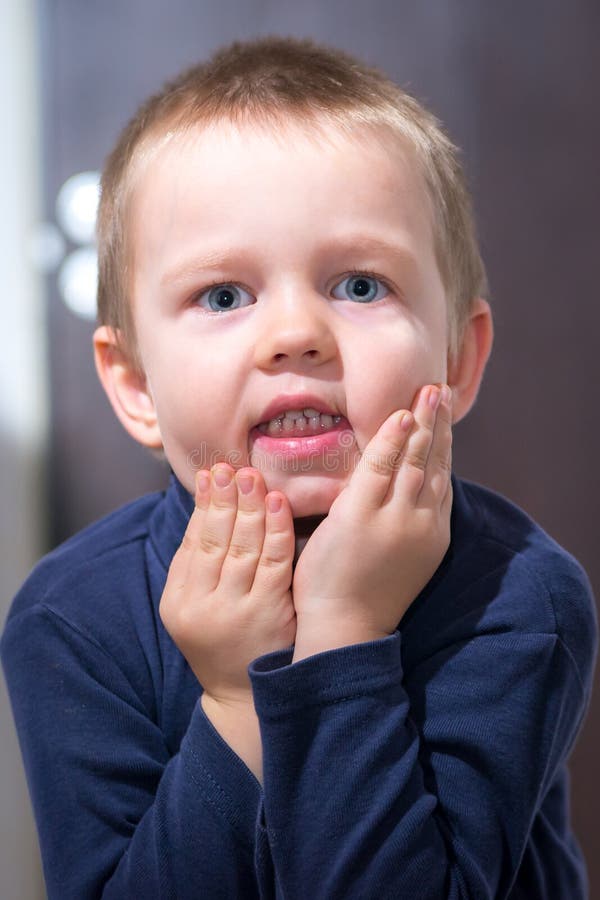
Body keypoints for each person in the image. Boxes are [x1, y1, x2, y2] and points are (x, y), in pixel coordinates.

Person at [1, 35, 597, 899]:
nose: (295, 334)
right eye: (223, 296)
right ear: (134, 385)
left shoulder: (520, 600)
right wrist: (234, 704)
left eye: (359, 286)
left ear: (458, 360)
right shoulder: (71, 621)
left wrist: (343, 631)